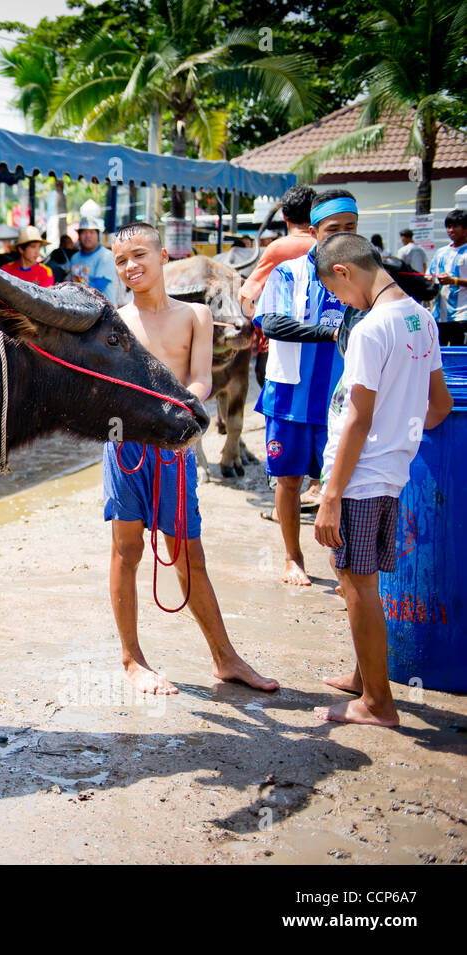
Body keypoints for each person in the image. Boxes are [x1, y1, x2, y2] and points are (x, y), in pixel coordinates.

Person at [104, 222, 278, 695]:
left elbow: (201, 379)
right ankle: (132, 659)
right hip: (127, 447)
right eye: (121, 260)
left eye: (139, 254)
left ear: (165, 259)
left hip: (174, 444)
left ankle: (226, 658)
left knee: (188, 555)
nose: (131, 266)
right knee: (128, 551)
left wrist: (179, 406)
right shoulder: (115, 322)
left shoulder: (197, 315)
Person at [313, 233, 453, 727]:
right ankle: (362, 674)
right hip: (389, 472)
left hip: (358, 479)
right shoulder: (422, 317)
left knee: (358, 584)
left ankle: (377, 702)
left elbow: (358, 417)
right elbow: (441, 405)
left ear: (345, 272)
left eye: (335, 291)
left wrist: (330, 494)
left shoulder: (372, 329)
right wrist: (401, 433)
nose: (339, 302)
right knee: (355, 577)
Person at [252, 189, 357, 586]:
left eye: (351, 227)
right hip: (289, 395)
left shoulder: (363, 271)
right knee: (290, 480)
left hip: (343, 396)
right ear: (315, 231)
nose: (343, 235)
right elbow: (272, 324)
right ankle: (292, 557)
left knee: (342, 481)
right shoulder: (287, 272)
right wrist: (330, 333)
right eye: (334, 228)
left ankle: (343, 559)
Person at [240, 186, 318, 390]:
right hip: (326, 333)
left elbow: (246, 295)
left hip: (282, 336)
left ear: (284, 216)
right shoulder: (327, 244)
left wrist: (260, 323)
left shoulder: (279, 248)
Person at [70, 207, 123, 305]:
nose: (88, 236)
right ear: (79, 235)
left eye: (92, 232)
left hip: (105, 314)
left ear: (98, 235)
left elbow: (97, 288)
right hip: (82, 311)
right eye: (84, 232)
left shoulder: (106, 256)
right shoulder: (74, 258)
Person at [429, 208, 467, 346]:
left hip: (462, 317)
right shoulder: (440, 253)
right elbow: (430, 275)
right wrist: (429, 279)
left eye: (455, 226)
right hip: (440, 317)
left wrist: (453, 281)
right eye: (448, 226)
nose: (451, 230)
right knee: (440, 357)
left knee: (460, 360)